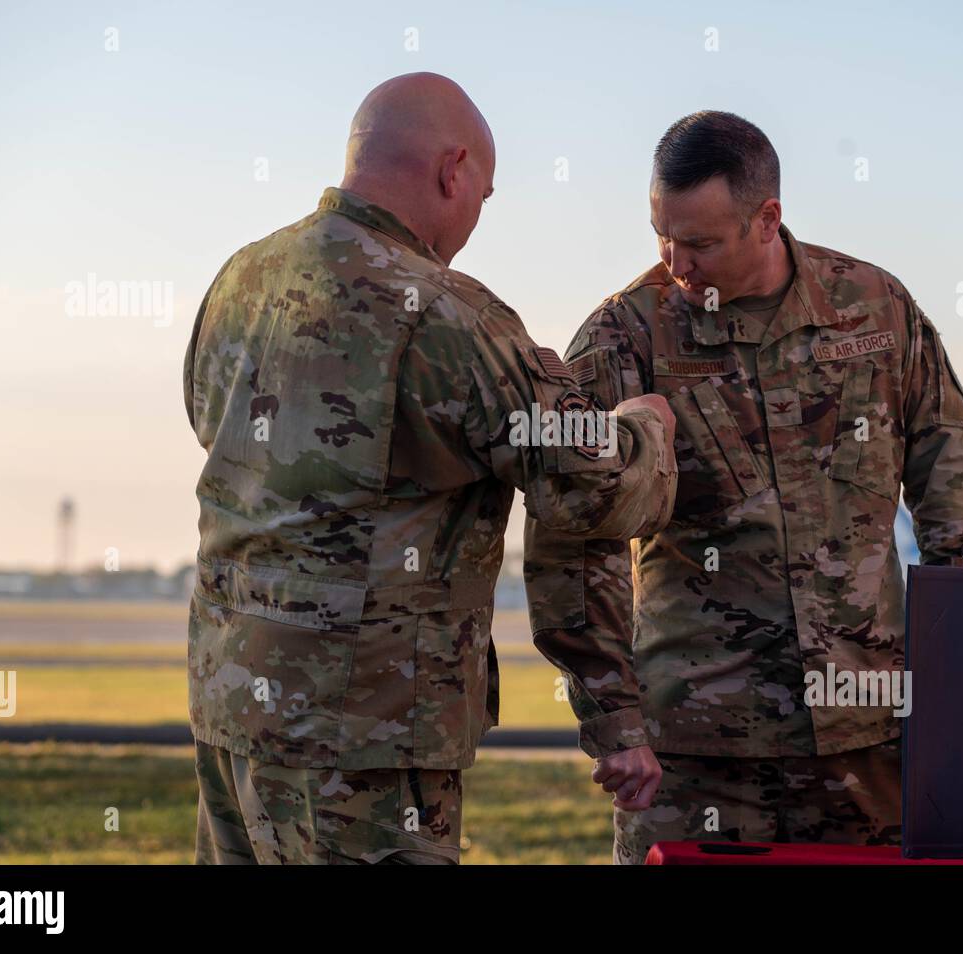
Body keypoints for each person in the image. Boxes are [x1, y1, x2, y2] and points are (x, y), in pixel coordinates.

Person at [183, 72, 677, 864]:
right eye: (481, 194)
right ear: (453, 170)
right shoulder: (446, 314)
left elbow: (212, 427)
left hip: (232, 710)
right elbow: (591, 490)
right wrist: (645, 428)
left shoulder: (242, 280)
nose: (476, 216)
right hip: (363, 734)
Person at [524, 110, 963, 864]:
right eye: (663, 233)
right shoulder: (629, 335)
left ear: (768, 218)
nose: (677, 261)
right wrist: (612, 720)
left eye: (702, 241)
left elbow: (954, 513)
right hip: (698, 752)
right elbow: (573, 538)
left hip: (868, 738)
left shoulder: (876, 311)